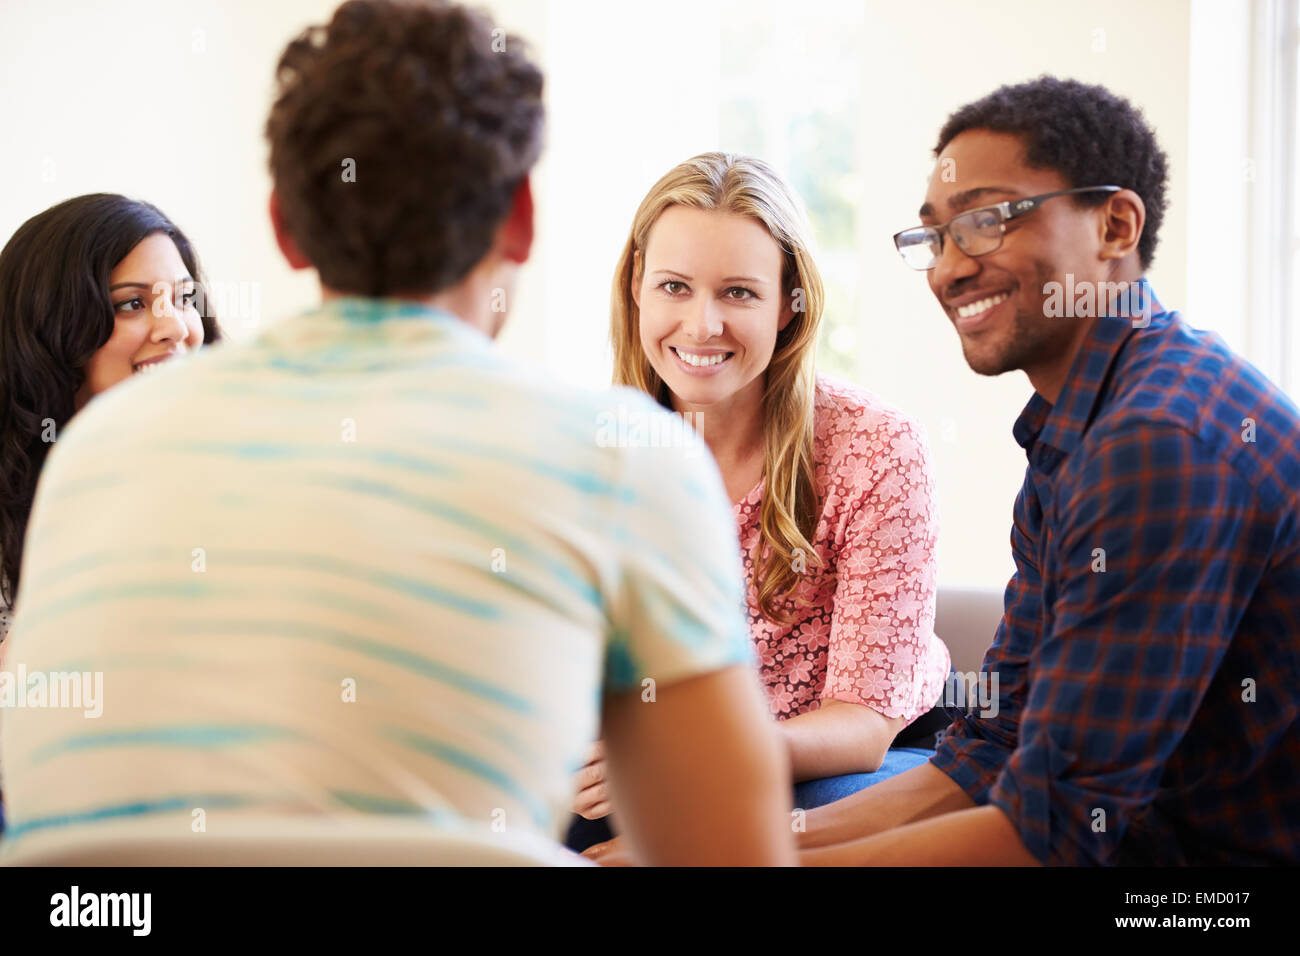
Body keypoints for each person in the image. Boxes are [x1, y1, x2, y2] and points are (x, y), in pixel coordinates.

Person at [0, 0, 794, 867]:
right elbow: (732, 858)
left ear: (285, 227)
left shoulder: (91, 457)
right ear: (521, 219)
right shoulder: (623, 457)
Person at [800, 76, 1300, 865]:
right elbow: (993, 747)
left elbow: (1052, 830)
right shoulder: (1075, 430)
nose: (949, 269)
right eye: (935, 237)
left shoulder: (1159, 437)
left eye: (987, 221)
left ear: (1115, 224)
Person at [571, 153, 952, 856]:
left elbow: (863, 723)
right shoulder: (592, 452)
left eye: (739, 293)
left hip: (844, 757)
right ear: (636, 288)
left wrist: (688, 769)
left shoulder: (875, 447)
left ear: (789, 303)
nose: (702, 324)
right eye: (675, 287)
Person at [0, 195, 219, 835]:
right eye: (132, 303)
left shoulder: (223, 481)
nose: (176, 326)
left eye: (183, 298)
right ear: (49, 328)